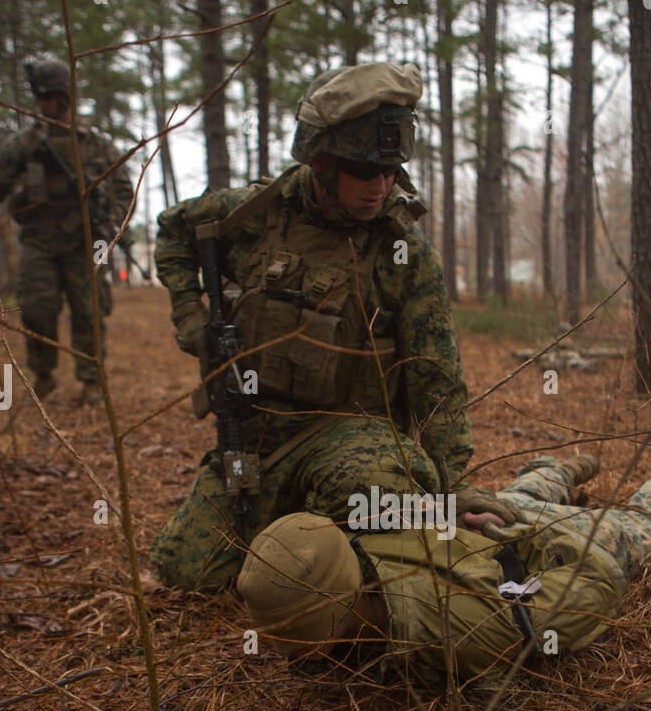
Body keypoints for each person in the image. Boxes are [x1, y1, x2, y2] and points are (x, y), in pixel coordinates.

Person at [150, 61, 525, 593]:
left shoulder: (403, 254)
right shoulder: (259, 214)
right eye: (362, 170)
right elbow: (174, 231)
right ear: (323, 164)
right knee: (187, 575)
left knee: (367, 516)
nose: (379, 186)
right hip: (261, 437)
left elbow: (436, 382)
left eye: (390, 170)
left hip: (354, 437)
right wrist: (192, 320)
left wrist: (454, 488)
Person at [237, 448, 651, 687]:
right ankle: (556, 473)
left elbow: (595, 583)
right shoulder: (345, 544)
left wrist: (519, 534)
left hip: (547, 543)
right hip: (491, 531)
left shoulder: (461, 628)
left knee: (641, 535)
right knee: (511, 499)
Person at [0, 57, 134, 405]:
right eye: (40, 97)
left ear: (66, 98)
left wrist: (110, 221)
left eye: (51, 97)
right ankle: (43, 376)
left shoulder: (95, 145)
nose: (44, 105)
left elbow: (123, 192)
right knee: (37, 310)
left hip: (86, 242)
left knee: (89, 311)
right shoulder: (26, 143)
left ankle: (92, 383)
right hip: (39, 239)